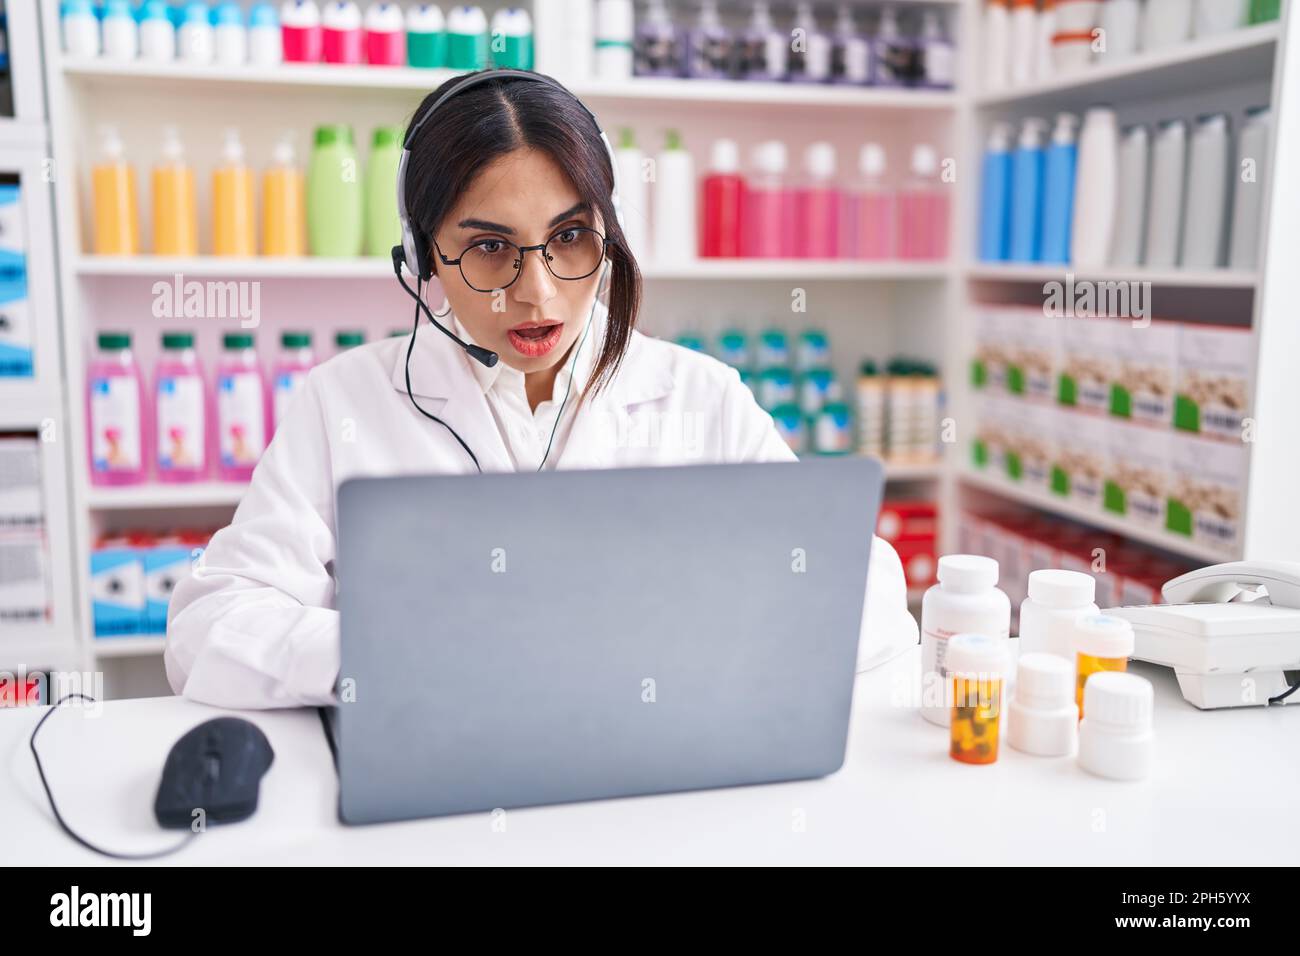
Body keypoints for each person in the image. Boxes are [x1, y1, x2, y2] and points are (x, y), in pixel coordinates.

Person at [165, 70, 917, 709]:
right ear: (424, 255)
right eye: (490, 247)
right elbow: (207, 632)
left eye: (569, 238)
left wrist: (683, 630)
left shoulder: (700, 398)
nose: (538, 296)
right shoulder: (344, 404)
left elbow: (867, 594)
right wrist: (408, 653)